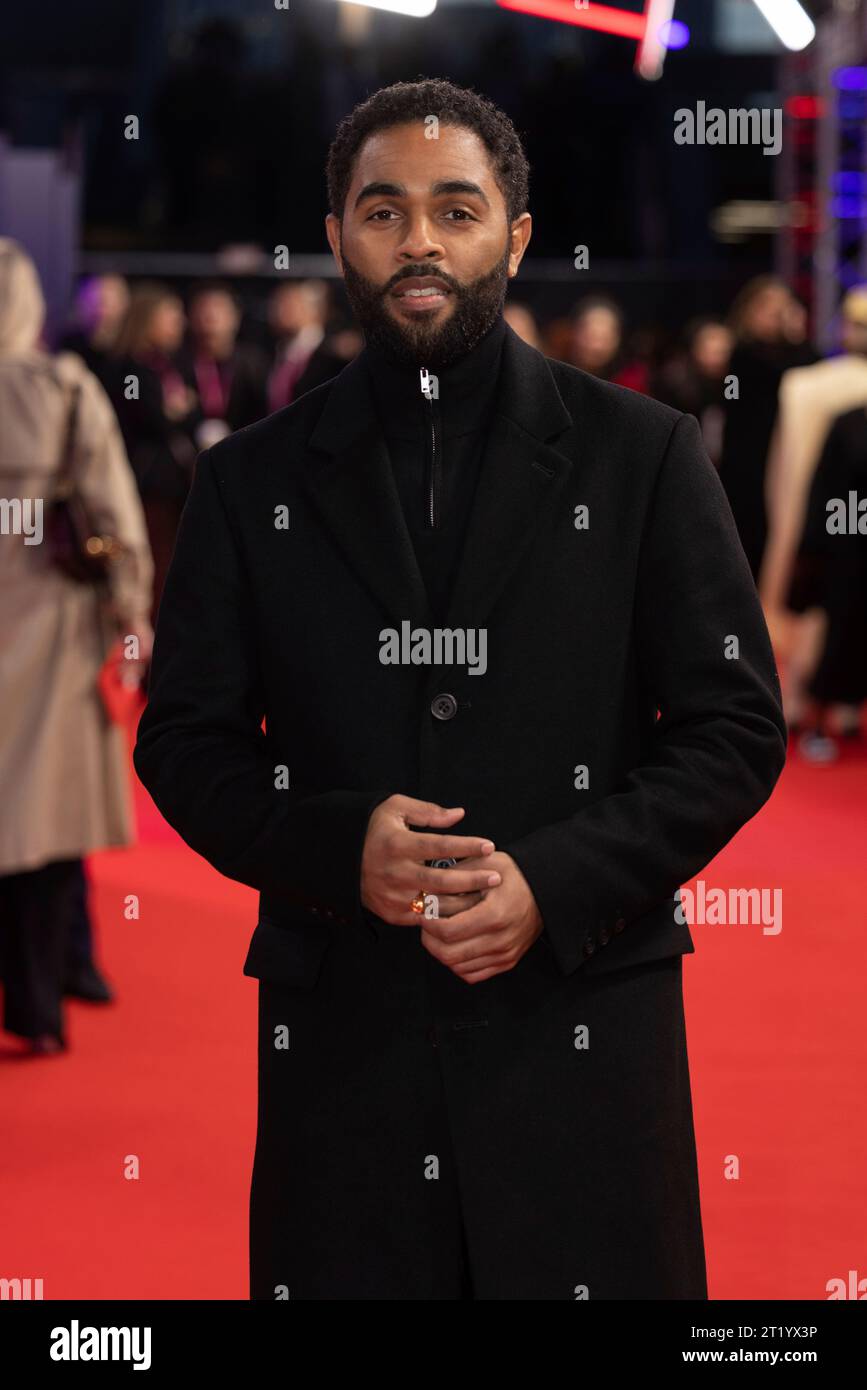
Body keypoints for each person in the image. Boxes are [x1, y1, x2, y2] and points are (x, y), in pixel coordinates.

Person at [134, 79, 788, 1300]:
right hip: (347, 1057)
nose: (420, 241)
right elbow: (186, 740)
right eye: (383, 212)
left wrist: (558, 879)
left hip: (584, 1035)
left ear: (517, 235)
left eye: (456, 209)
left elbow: (735, 725)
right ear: (335, 237)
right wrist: (336, 849)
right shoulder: (246, 482)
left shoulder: (643, 455)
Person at [0, 240, 153, 1053]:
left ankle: (58, 980)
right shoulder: (61, 388)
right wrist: (133, 614)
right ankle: (45, 998)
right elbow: (115, 518)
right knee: (48, 816)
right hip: (50, 626)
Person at [761, 285, 867, 732]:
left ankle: (808, 699)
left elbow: (780, 473)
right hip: (833, 521)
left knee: (817, 610)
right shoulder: (806, 386)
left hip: (820, 520)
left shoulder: (805, 386)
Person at [106, 283, 198, 624]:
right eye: (170, 315)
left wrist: (180, 411)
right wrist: (177, 411)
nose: (180, 323)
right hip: (146, 483)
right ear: (148, 320)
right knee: (153, 563)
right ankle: (146, 638)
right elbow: (151, 418)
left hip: (171, 484)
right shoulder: (129, 368)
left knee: (170, 561)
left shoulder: (166, 365)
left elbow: (188, 411)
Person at [718, 275, 816, 584]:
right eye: (766, 308)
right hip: (747, 467)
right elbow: (771, 381)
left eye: (781, 308)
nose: (774, 315)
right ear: (748, 311)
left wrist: (797, 338)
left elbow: (811, 378)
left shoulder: (798, 356)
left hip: (788, 460)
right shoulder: (742, 356)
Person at [178, 282, 269, 443]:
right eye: (202, 308)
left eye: (218, 308)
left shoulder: (255, 364)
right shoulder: (178, 365)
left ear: (235, 317)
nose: (209, 316)